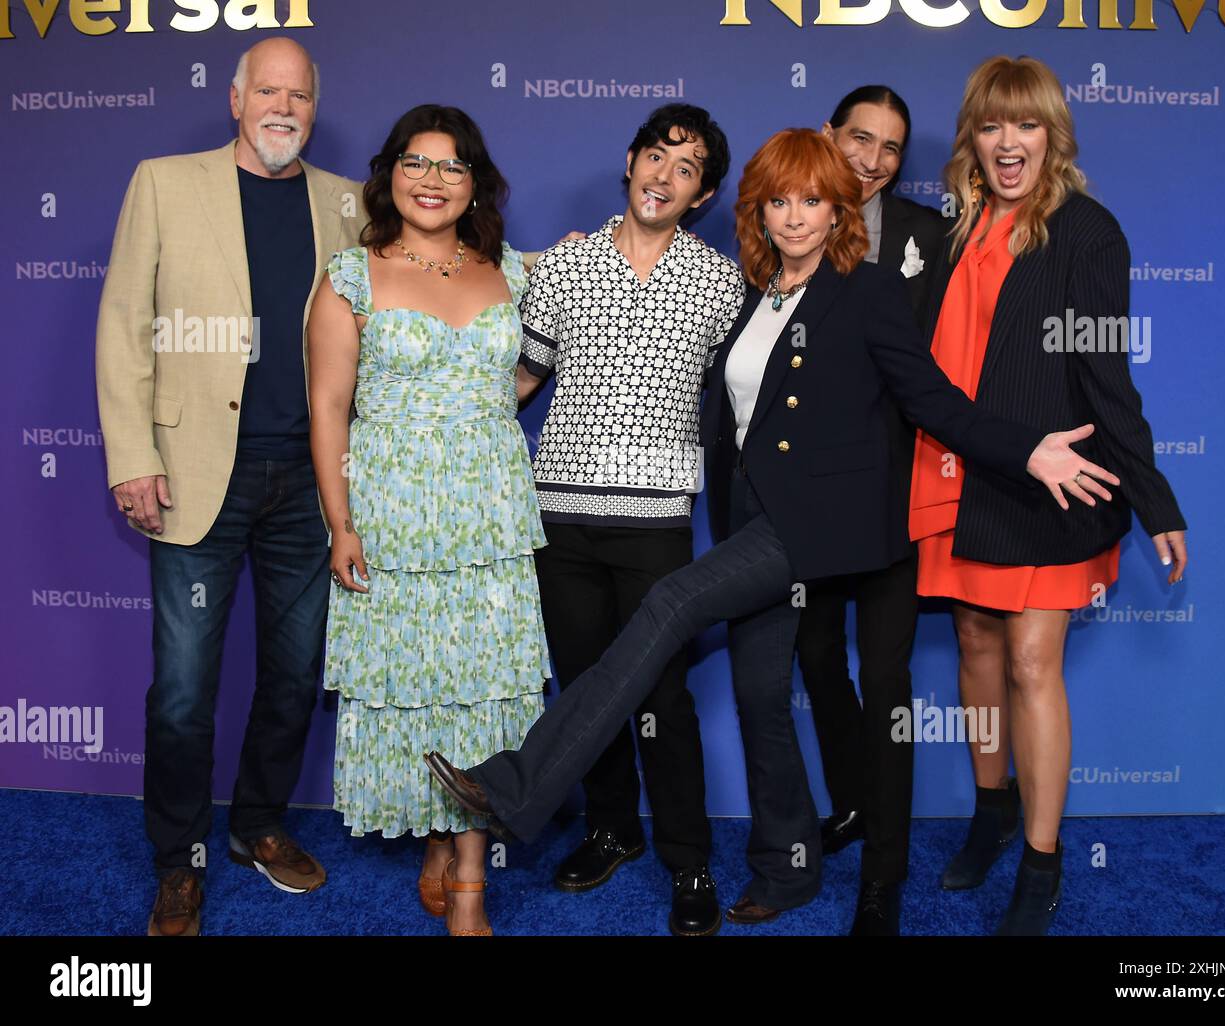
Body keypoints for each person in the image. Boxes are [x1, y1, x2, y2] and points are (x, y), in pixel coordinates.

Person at [427, 127, 1119, 929]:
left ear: (839, 209)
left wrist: (1026, 449)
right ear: (757, 209)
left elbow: (936, 404)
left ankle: (515, 785)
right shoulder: (753, 290)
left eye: (812, 201)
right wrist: (555, 262)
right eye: (779, 201)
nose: (794, 218)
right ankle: (788, 868)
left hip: (820, 525)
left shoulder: (865, 291)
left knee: (667, 605)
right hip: (755, 513)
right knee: (760, 692)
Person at [95, 37, 363, 937]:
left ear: (313, 109)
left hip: (311, 480)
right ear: (236, 99)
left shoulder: (347, 205)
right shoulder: (164, 182)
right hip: (193, 474)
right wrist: (132, 453)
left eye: (300, 96)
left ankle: (256, 826)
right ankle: (179, 862)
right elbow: (127, 323)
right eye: (269, 91)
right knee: (181, 692)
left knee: (294, 678)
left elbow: (409, 301)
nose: (284, 107)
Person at [914, 57, 1188, 935]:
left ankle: (1042, 856)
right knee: (974, 644)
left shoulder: (1087, 232)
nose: (1007, 143)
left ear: (1052, 136)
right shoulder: (953, 228)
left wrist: (1157, 502)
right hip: (955, 472)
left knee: (1034, 663)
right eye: (992, 125)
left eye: (1025, 125)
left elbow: (1110, 378)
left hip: (1049, 484)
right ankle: (991, 814)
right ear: (973, 138)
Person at [307, 105, 551, 937]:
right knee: (414, 689)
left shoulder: (511, 272)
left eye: (452, 166)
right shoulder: (352, 274)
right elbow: (329, 407)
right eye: (417, 162)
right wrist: (341, 525)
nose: (433, 180)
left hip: (487, 516)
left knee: (483, 690)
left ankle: (472, 883)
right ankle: (441, 840)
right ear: (390, 175)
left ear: (475, 182)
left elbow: (508, 380)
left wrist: (466, 423)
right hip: (390, 514)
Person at [514, 104, 746, 936]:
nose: (664, 175)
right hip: (562, 519)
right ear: (630, 160)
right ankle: (610, 829)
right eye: (656, 156)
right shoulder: (565, 269)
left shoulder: (720, 285)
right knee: (585, 692)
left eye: (684, 169)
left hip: (655, 525)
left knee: (661, 696)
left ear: (703, 193)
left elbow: (749, 396)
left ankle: (688, 861)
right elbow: (522, 380)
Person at [792, 84, 948, 935]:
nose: (872, 161)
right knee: (816, 658)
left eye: (890, 148)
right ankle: (851, 803)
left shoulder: (931, 236)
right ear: (829, 135)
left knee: (886, 679)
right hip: (808, 498)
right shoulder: (787, 222)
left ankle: (884, 873)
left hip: (897, 493)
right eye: (860, 139)